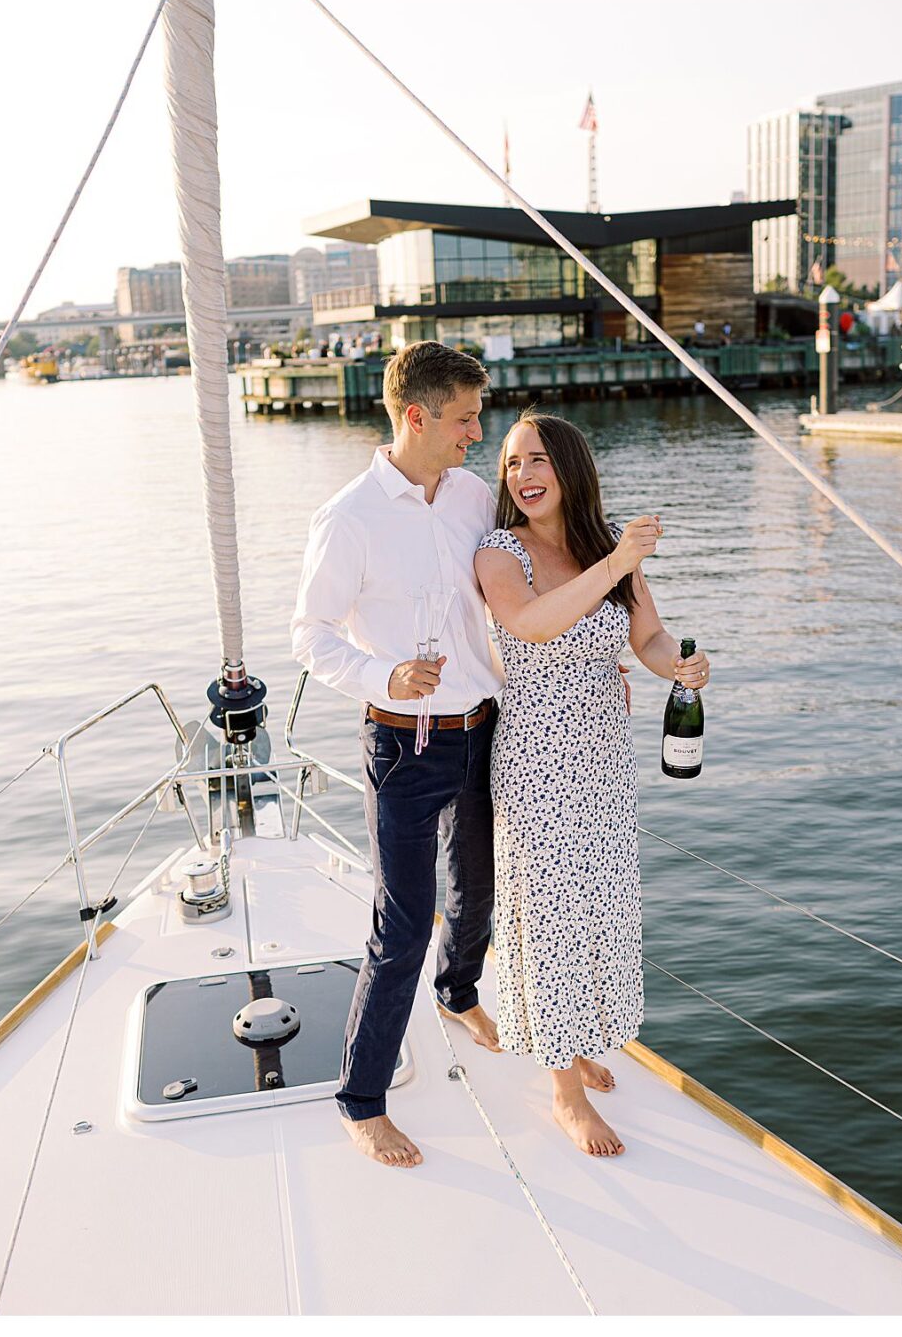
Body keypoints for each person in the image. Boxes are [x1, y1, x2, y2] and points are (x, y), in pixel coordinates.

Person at [474, 410, 711, 1158]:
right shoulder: (499, 551)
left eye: (537, 459)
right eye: (512, 463)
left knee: (596, 906)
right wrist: (617, 564)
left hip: (605, 758)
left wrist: (679, 665)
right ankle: (564, 1092)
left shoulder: (607, 547)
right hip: (537, 760)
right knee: (549, 915)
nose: (522, 475)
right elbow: (531, 623)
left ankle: (576, 1044)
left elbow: (647, 636)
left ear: (571, 467)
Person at [291, 340, 504, 1169]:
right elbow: (310, 636)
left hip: (483, 728)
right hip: (403, 745)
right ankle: (361, 1098)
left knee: (477, 893)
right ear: (416, 416)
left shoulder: (474, 496)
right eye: (464, 419)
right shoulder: (348, 518)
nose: (477, 433)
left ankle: (458, 994)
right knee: (405, 922)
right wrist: (386, 674)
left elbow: (513, 594)